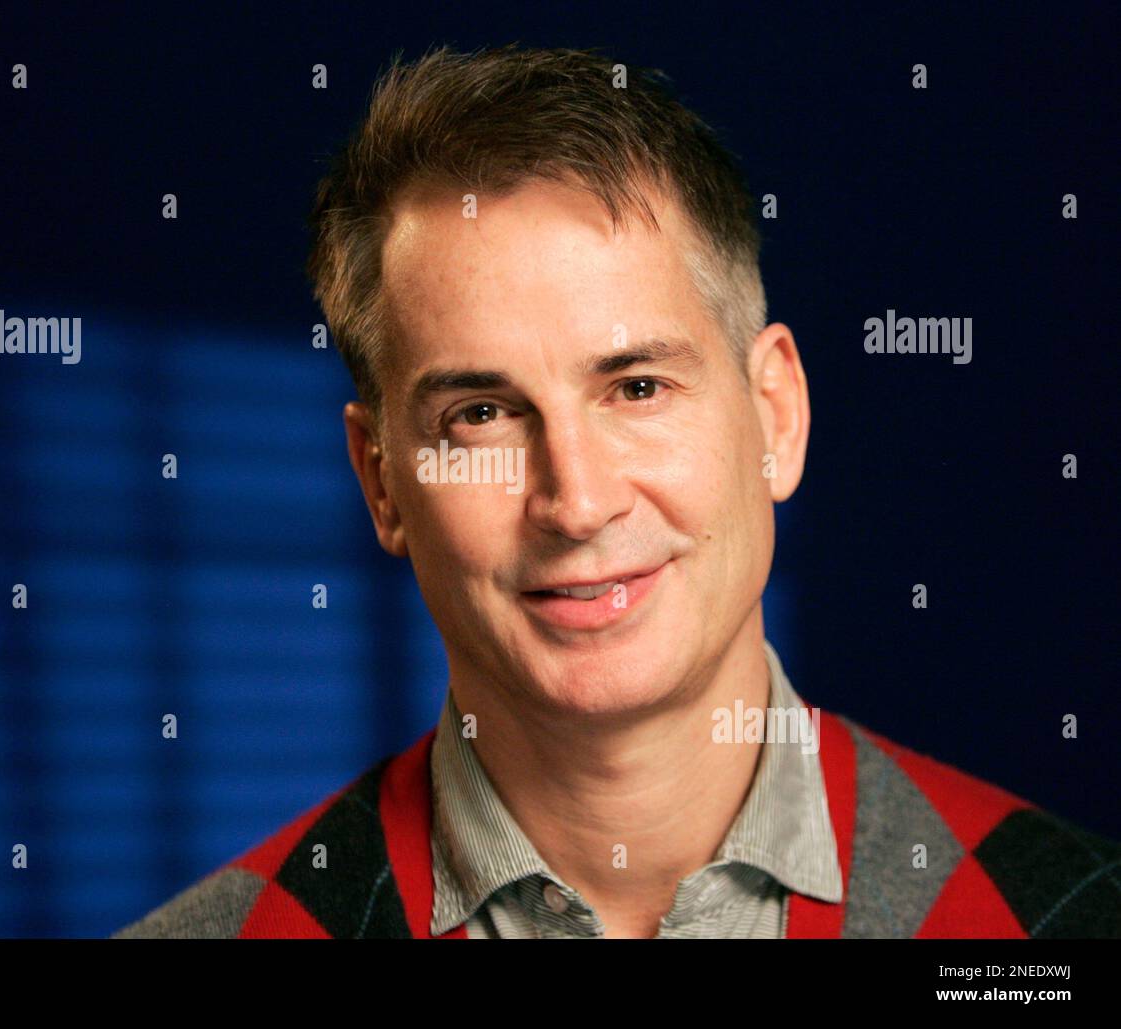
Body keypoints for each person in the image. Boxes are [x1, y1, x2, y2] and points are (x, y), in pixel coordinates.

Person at [114, 43, 1118, 939]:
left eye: (637, 386)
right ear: (381, 481)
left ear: (774, 414)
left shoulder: (1065, 919)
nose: (578, 501)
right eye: (480, 415)